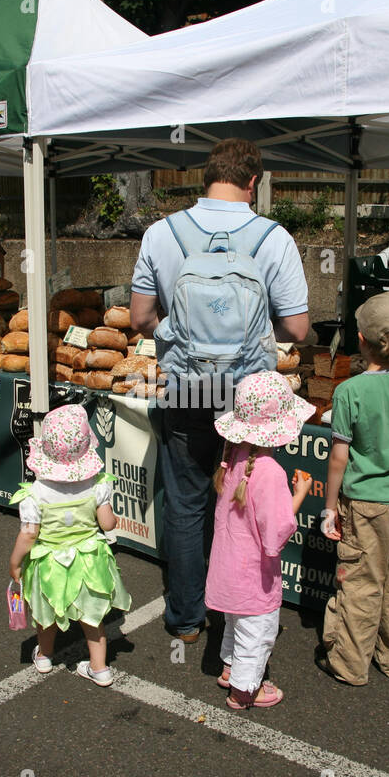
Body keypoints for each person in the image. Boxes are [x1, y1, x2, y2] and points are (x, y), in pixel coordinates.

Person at [130, 138, 310, 643]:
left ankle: (186, 620)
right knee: (242, 498)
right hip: (248, 398)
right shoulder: (273, 238)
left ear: (206, 175)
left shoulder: (161, 234)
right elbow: (296, 330)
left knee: (185, 504)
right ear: (253, 181)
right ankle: (241, 617)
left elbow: (141, 318)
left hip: (186, 391)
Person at [317, 293, 389, 686]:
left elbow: (339, 458)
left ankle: (351, 665)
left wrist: (329, 506)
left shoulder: (350, 391)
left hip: (365, 505)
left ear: (362, 340)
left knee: (361, 585)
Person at [206, 371, 313, 709]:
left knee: (235, 622)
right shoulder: (269, 472)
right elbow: (275, 533)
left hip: (227, 567)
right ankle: (243, 691)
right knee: (257, 632)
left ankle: (229, 667)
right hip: (253, 575)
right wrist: (300, 495)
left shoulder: (235, 453)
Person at [9, 403, 132, 686]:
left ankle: (44, 657)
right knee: (93, 616)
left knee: (47, 612)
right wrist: (112, 519)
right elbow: (107, 524)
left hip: (49, 561)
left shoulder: (35, 493)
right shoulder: (97, 485)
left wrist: (14, 563)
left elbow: (28, 535)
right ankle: (100, 668)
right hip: (88, 559)